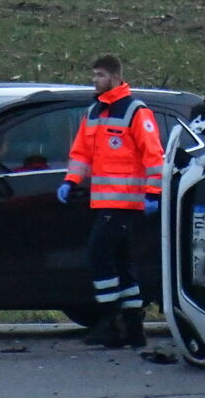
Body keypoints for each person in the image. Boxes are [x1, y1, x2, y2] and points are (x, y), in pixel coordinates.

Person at [57, 54, 163, 349]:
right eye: (94, 75)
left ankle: (109, 322)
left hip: (125, 203)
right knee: (121, 262)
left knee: (98, 255)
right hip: (106, 203)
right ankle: (132, 328)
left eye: (101, 75)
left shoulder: (135, 112)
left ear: (116, 78)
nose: (95, 80)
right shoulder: (95, 112)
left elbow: (153, 156)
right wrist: (70, 181)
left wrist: (153, 193)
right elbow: (81, 153)